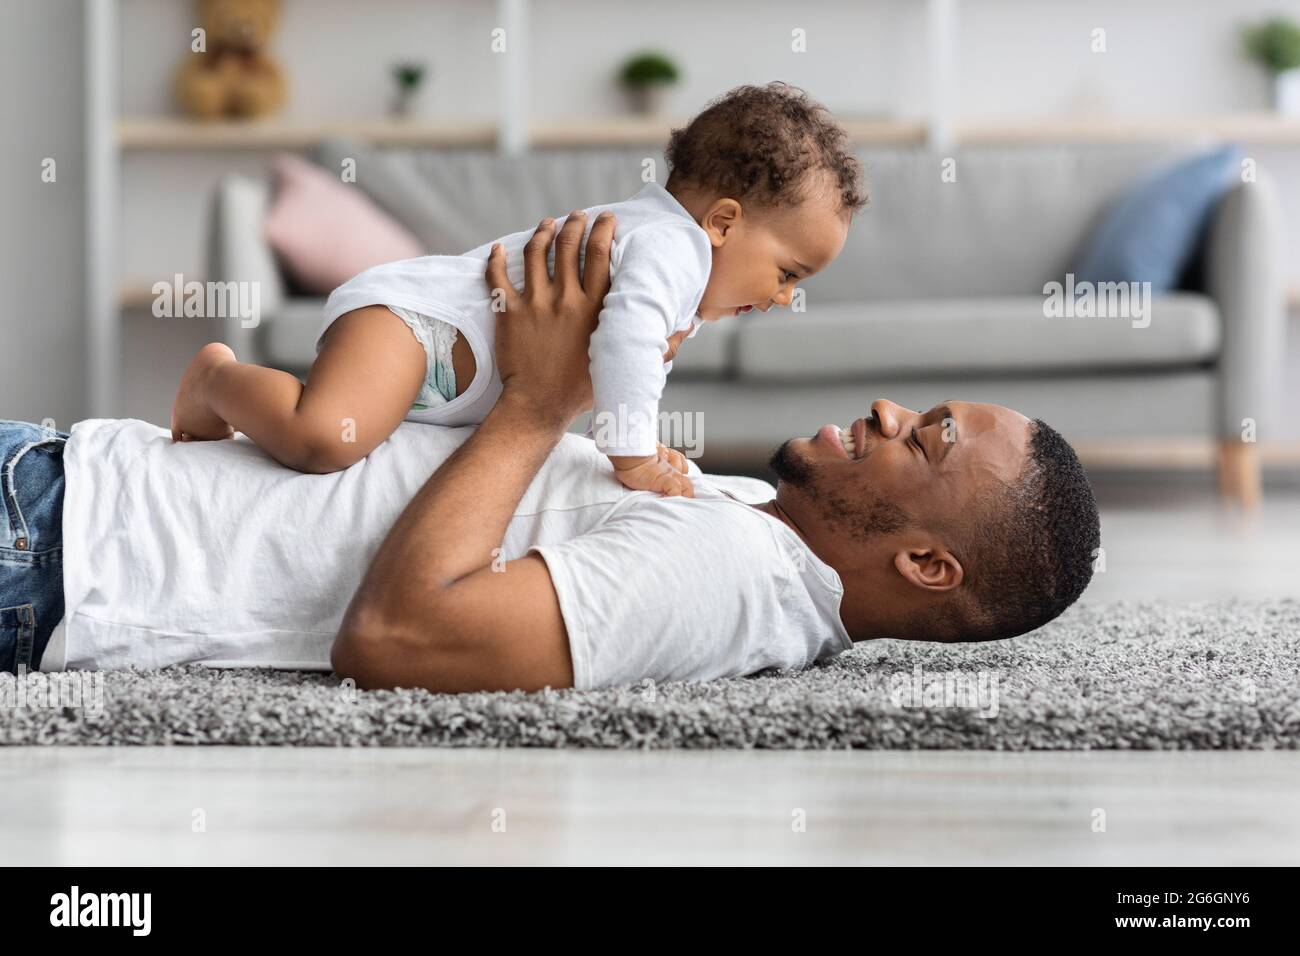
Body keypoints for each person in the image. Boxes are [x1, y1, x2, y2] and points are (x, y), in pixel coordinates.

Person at [1, 211, 1100, 692]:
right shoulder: (745, 518)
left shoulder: (733, 580)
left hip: (55, 555)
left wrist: (536, 402)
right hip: (73, 477)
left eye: (929, 437)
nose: (888, 407)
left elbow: (395, 639)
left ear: (926, 564)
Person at [169, 83, 866, 497]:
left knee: (367, 452)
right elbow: (625, 345)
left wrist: (642, 443)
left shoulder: (678, 269)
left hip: (449, 379)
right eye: (788, 273)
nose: (782, 298)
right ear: (722, 222)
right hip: (418, 328)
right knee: (323, 438)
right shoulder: (670, 246)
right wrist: (631, 453)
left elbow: (605, 370)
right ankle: (216, 381)